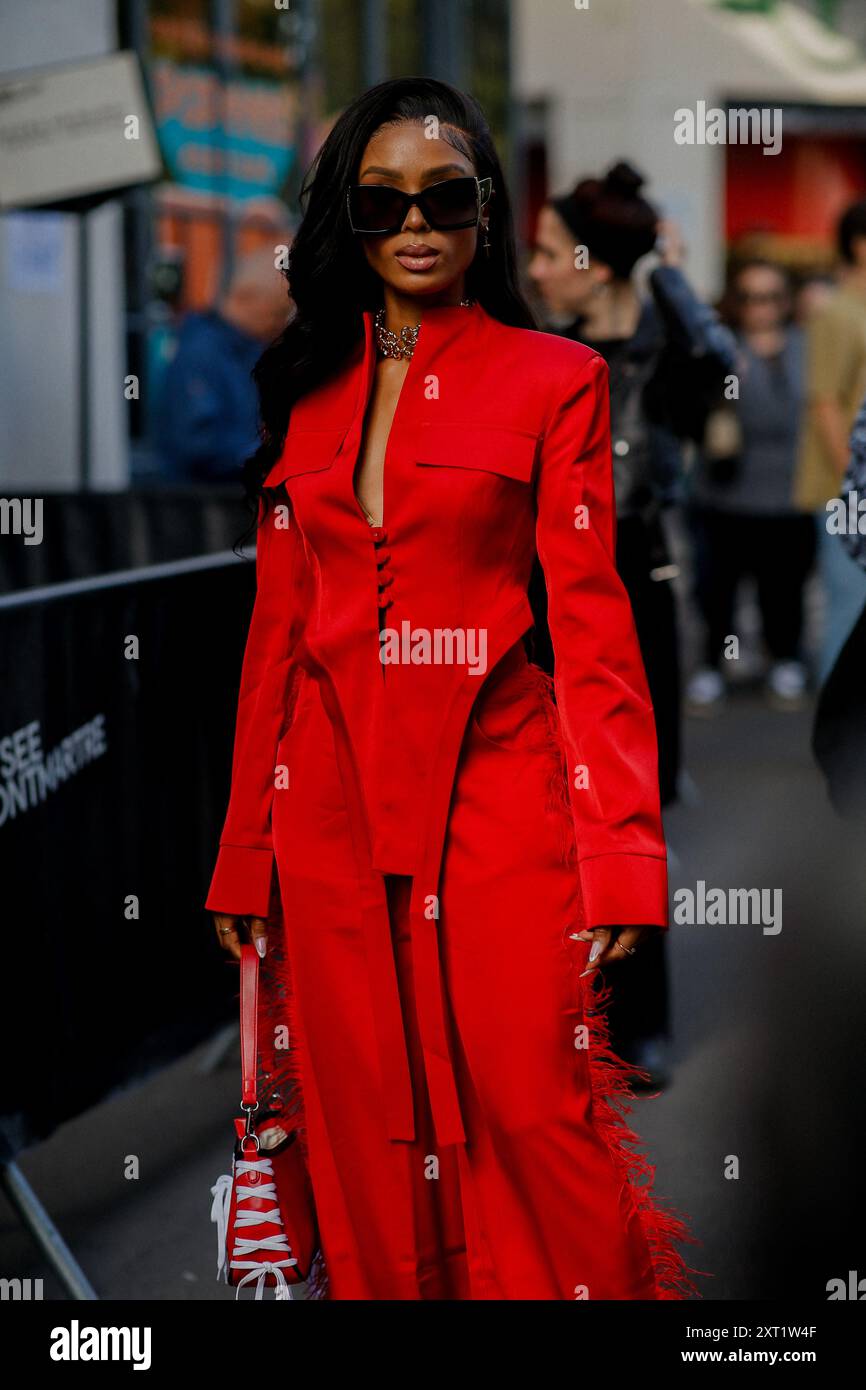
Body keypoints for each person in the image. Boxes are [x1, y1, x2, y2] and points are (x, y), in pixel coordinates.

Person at [204, 78, 699, 1300]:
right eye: (380, 204)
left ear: (484, 209)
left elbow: (592, 628)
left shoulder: (553, 379)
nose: (414, 225)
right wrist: (241, 852)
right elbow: (276, 638)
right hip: (324, 809)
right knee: (369, 1126)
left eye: (444, 196)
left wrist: (622, 850)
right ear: (346, 221)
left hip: (499, 791)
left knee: (533, 1108)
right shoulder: (304, 390)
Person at [528, 162, 735, 1085]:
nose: (534, 267)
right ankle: (553, 1020)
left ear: (595, 260)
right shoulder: (539, 350)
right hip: (540, 593)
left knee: (627, 809)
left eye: (547, 249)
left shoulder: (666, 352)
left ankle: (637, 1023)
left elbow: (717, 362)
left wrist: (662, 268)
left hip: (637, 588)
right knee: (540, 813)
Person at [686, 259, 817, 713]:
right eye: (750, 297)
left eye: (770, 297)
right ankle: (715, 665)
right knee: (718, 588)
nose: (760, 308)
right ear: (736, 302)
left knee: (784, 587)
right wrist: (724, 378)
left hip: (789, 491)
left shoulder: (806, 348)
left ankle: (784, 658)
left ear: (785, 302)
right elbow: (696, 412)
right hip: (725, 493)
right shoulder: (720, 348)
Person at [793, 199, 866, 686]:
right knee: (849, 604)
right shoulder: (837, 313)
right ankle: (839, 741)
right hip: (848, 489)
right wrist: (852, 483)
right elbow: (824, 403)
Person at [157, 248, 293, 482]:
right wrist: (273, 452)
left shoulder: (244, 350)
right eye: (278, 312)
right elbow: (198, 447)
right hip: (204, 505)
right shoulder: (203, 352)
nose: (280, 324)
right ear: (247, 297)